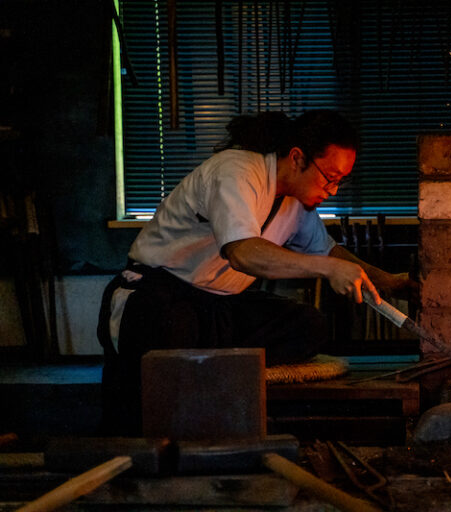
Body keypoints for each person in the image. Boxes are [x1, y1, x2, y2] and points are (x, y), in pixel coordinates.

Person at [97, 110, 416, 435]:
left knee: (308, 325)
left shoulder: (295, 202)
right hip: (159, 298)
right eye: (329, 177)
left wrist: (390, 282)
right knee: (165, 370)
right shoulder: (237, 171)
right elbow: (243, 253)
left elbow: (328, 251)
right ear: (297, 158)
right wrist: (329, 269)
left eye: (340, 182)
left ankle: (217, 370)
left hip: (218, 306)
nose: (332, 190)